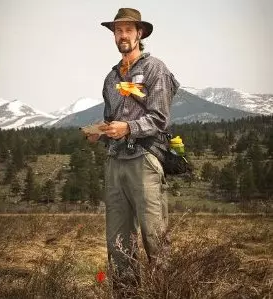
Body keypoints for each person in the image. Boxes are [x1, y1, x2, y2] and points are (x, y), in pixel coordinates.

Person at [86, 7, 179, 293]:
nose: (122, 35)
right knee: (117, 242)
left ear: (140, 33)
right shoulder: (110, 78)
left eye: (128, 29)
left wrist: (128, 128)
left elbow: (159, 118)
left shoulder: (155, 69)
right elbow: (112, 119)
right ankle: (126, 293)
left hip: (145, 160)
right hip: (115, 163)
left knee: (154, 237)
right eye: (117, 30)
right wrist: (99, 132)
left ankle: (163, 292)